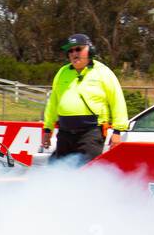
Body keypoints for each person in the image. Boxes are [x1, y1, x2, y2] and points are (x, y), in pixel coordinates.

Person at [41, 33, 130, 164]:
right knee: (59, 172)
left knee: (86, 173)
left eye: (78, 49)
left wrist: (117, 131)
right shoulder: (62, 73)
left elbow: (117, 101)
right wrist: (47, 129)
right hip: (65, 133)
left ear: (90, 50)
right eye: (70, 50)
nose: (74, 53)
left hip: (91, 133)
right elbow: (53, 103)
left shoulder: (103, 72)